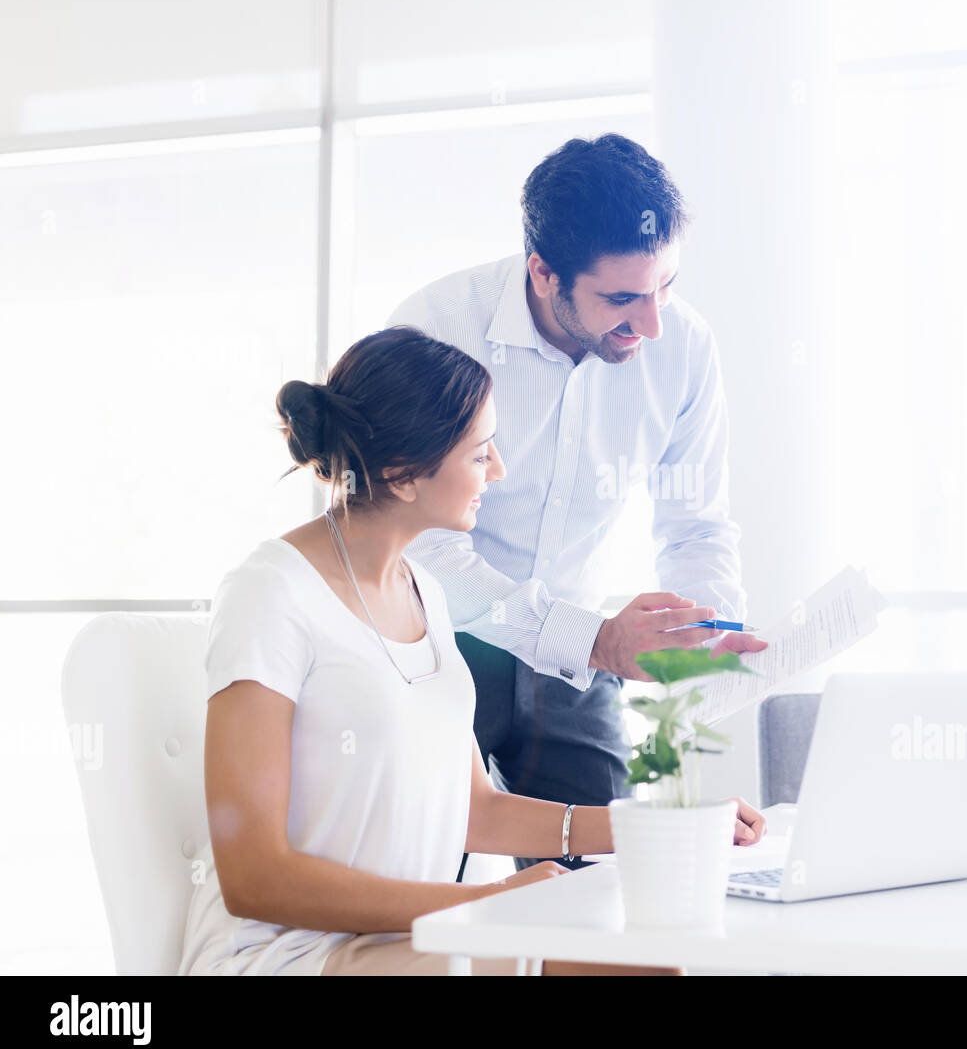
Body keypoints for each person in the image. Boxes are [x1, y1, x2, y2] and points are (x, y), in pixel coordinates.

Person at [177, 326, 765, 976]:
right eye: (480, 452)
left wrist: (664, 826)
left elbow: (476, 808)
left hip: (414, 941)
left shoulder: (424, 589)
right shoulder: (270, 594)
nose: (500, 470)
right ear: (404, 475)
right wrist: (485, 901)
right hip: (286, 954)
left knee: (659, 963)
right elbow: (252, 876)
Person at [388, 134, 767, 872]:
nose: (651, 323)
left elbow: (696, 523)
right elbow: (416, 542)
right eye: (622, 298)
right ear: (543, 271)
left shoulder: (683, 346)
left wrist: (704, 626)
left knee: (609, 883)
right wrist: (592, 638)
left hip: (571, 664)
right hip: (438, 643)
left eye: (664, 287)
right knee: (421, 861)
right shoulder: (436, 331)